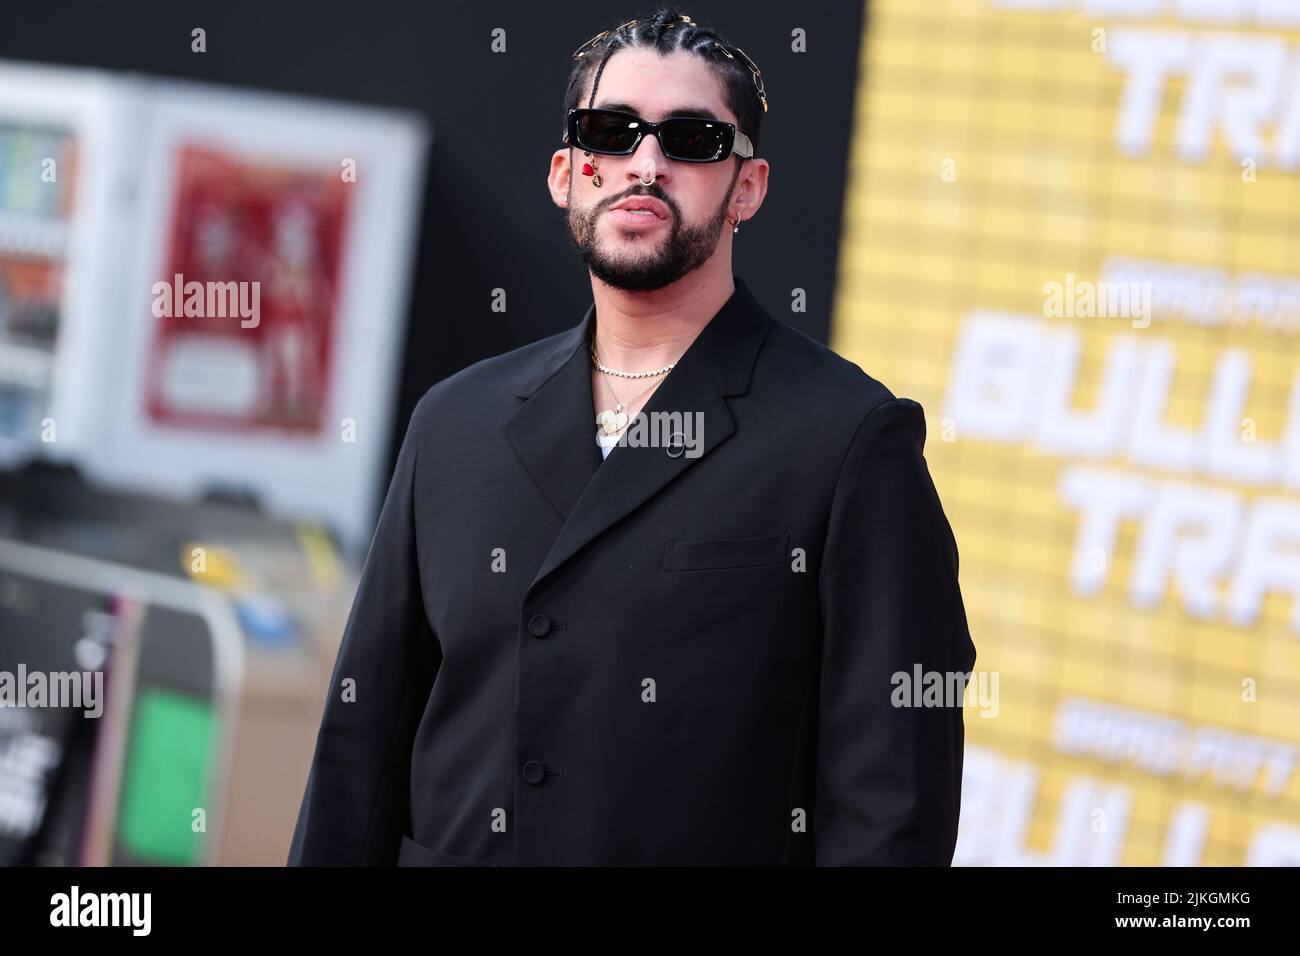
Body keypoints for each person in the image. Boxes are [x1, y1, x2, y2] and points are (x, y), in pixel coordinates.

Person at [288, 9, 976, 867]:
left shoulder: (849, 441)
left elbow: (891, 814)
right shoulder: (454, 423)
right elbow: (360, 746)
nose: (644, 163)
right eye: (610, 133)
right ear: (566, 173)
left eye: (691, 140)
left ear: (748, 188)